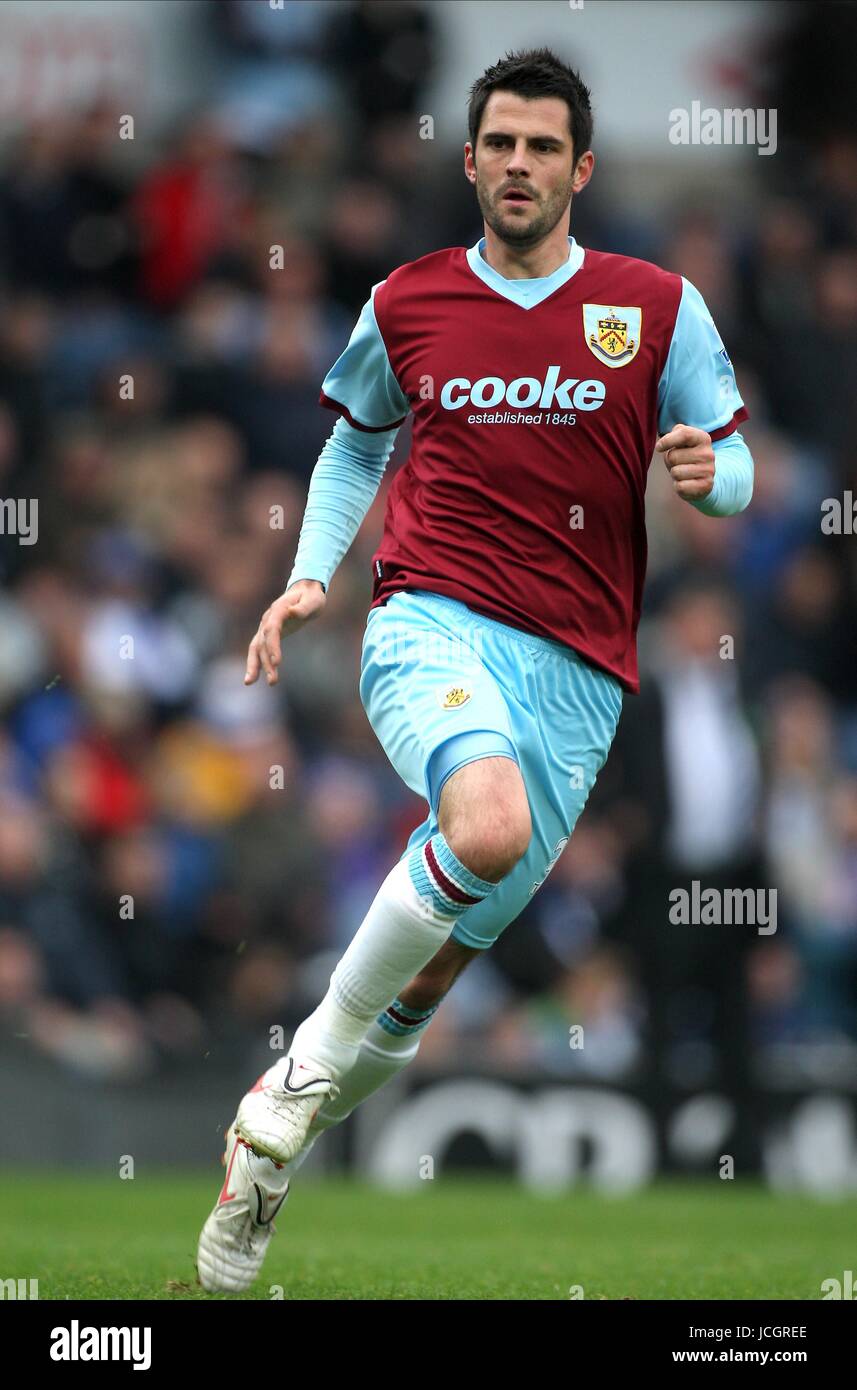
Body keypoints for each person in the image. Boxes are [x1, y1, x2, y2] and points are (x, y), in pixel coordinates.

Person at [197, 47, 753, 1293]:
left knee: (440, 960)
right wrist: (308, 572)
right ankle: (292, 1081)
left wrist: (716, 481)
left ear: (580, 168)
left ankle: (267, 1163)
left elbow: (737, 462)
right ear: (468, 159)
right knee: (485, 827)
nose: (517, 163)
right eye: (498, 142)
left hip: (581, 675)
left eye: (541, 146)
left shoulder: (652, 307)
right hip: (428, 620)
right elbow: (354, 448)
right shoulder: (405, 301)